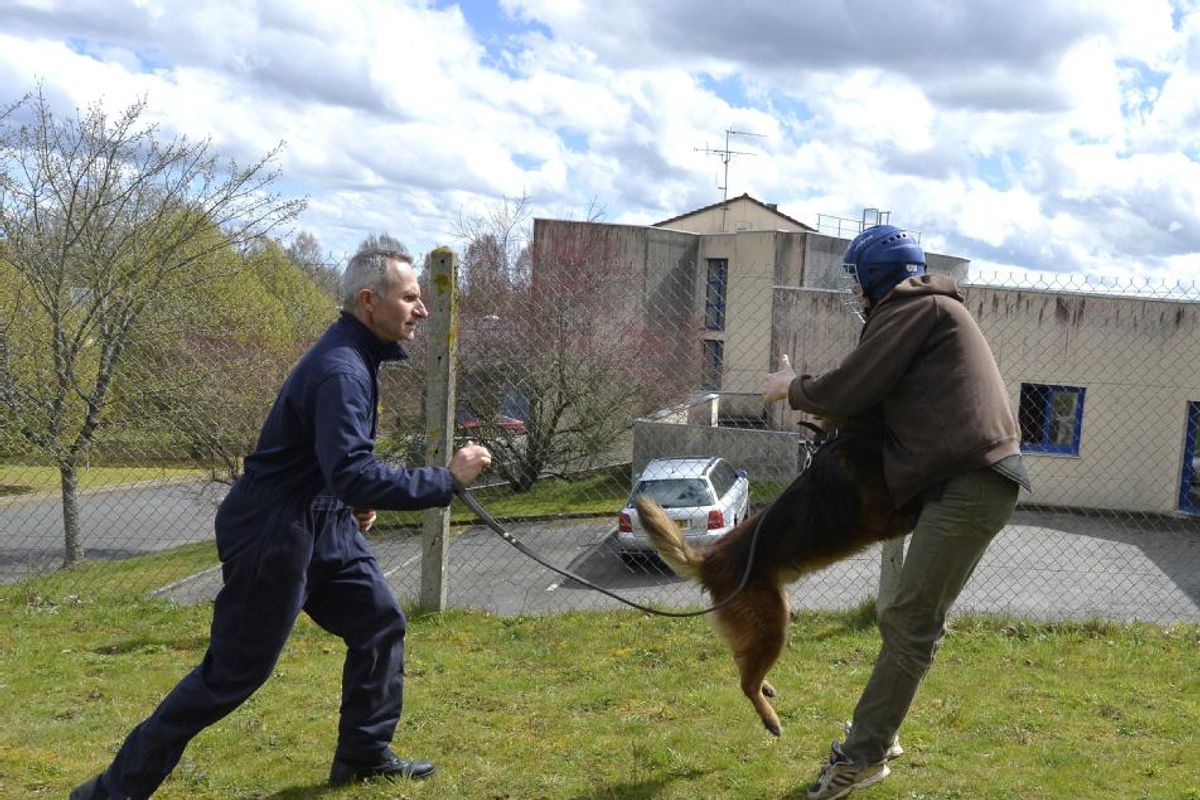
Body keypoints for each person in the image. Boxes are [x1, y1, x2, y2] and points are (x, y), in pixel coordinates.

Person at [71, 248, 492, 799]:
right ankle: (110, 792)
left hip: (322, 521)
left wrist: (345, 499)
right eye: (411, 297)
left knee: (379, 622)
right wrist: (446, 479)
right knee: (232, 674)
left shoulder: (356, 357)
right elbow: (353, 472)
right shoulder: (342, 369)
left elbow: (335, 466)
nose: (423, 310)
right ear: (370, 301)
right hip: (273, 531)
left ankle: (363, 755)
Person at [761, 225, 1029, 800]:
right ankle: (880, 732)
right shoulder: (927, 310)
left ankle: (862, 758)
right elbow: (873, 404)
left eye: (857, 281)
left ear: (874, 278)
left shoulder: (915, 308)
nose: (855, 293)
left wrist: (791, 387)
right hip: (967, 481)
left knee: (909, 621)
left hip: (972, 484)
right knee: (910, 621)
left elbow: (852, 387)